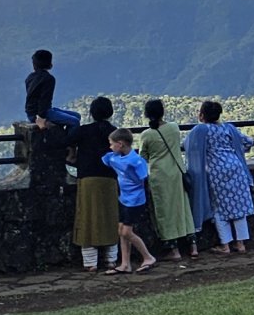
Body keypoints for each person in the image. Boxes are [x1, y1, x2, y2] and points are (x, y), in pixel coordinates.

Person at [187, 99, 254, 253]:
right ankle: (240, 244)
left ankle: (225, 245)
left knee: (219, 208)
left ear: (202, 115)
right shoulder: (228, 128)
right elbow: (247, 142)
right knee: (239, 207)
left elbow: (189, 146)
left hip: (216, 171)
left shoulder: (201, 130)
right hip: (236, 168)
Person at [138, 99, 197, 262]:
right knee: (183, 208)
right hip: (177, 173)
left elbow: (143, 157)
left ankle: (174, 249)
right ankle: (193, 247)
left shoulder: (146, 135)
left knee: (165, 212)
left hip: (160, 176)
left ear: (147, 114)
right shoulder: (174, 127)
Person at [71, 95, 122, 272]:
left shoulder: (82, 131)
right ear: (110, 113)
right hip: (109, 179)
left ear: (91, 113)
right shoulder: (115, 133)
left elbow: (63, 142)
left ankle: (90, 262)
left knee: (87, 219)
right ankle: (111, 260)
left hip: (87, 179)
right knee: (110, 218)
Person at [104, 128, 158, 273]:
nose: (110, 147)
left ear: (120, 144)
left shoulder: (136, 161)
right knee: (121, 230)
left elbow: (143, 179)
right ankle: (125, 263)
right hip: (124, 198)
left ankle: (148, 257)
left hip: (135, 200)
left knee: (127, 232)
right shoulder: (114, 158)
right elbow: (106, 160)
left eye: (112, 144)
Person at [24, 49, 80, 127]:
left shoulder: (30, 77)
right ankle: (69, 139)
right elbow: (44, 100)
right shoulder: (48, 79)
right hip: (41, 113)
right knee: (75, 121)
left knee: (77, 115)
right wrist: (41, 119)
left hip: (32, 113)